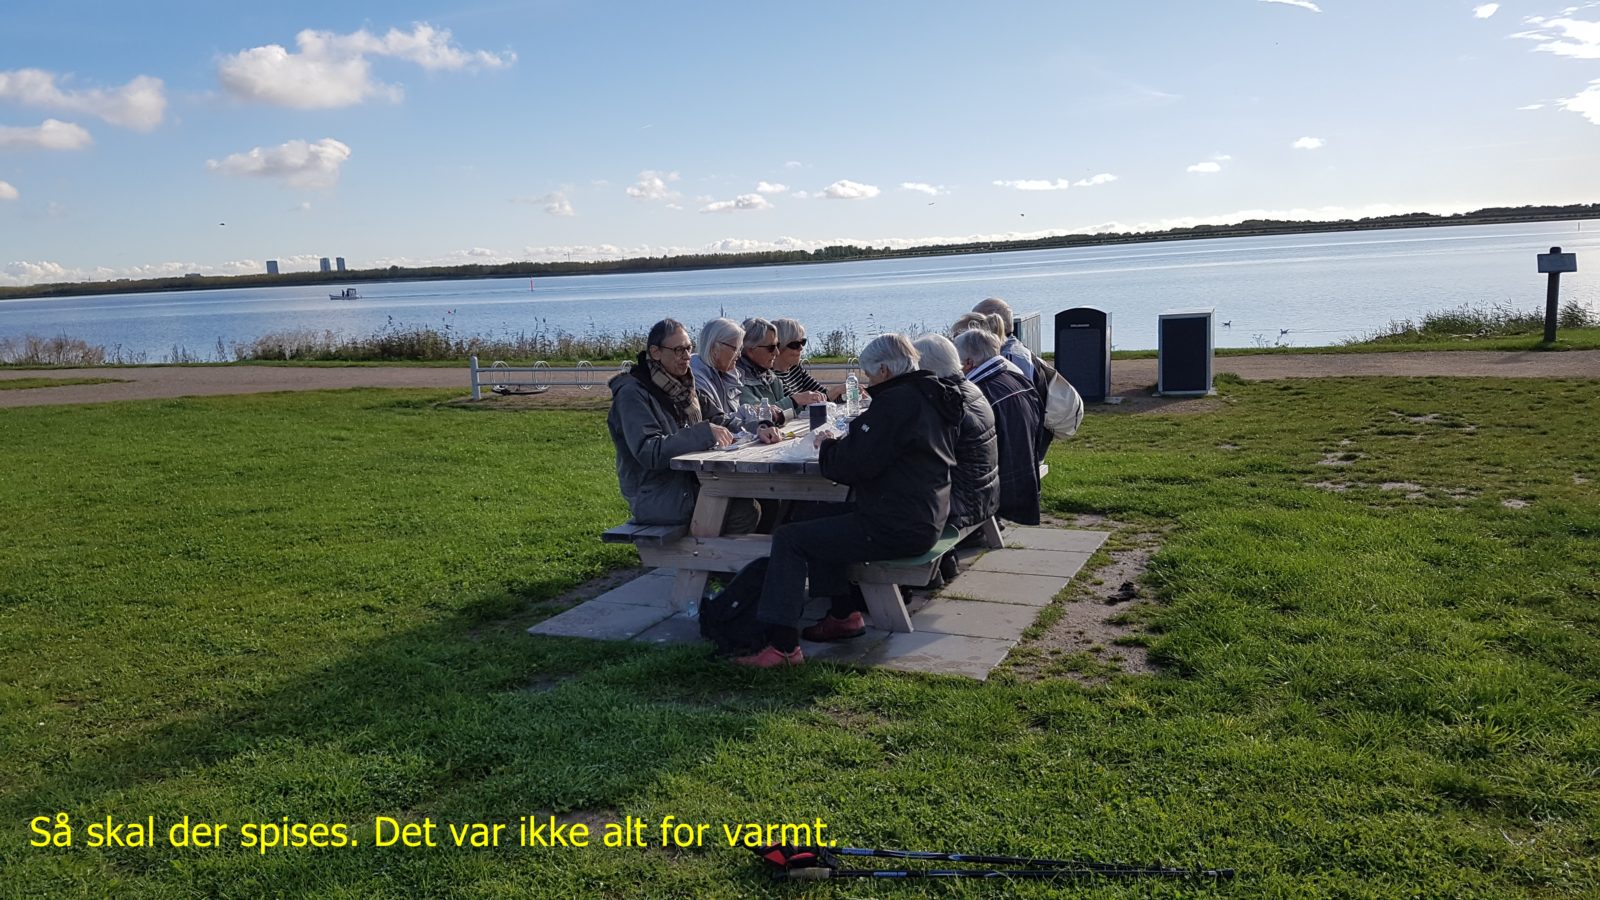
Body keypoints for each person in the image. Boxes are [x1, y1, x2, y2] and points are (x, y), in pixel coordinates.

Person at [734, 334, 964, 668]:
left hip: (898, 524)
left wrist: (827, 445)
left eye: (872, 375)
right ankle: (843, 614)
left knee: (789, 539)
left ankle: (782, 646)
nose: (870, 383)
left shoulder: (897, 404)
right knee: (813, 516)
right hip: (925, 512)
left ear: (884, 370)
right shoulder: (929, 394)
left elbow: (850, 466)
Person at [607, 319, 763, 533]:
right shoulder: (632, 394)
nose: (687, 356)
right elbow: (649, 451)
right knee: (744, 510)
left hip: (689, 481)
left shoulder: (684, 385)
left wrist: (759, 427)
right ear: (655, 352)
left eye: (689, 349)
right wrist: (702, 433)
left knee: (761, 496)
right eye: (679, 350)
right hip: (656, 494)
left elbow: (720, 420)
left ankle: (733, 561)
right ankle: (710, 562)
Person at [953, 328, 1042, 526]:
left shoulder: (980, 393)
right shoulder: (1016, 378)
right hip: (1025, 470)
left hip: (1005, 481)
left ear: (969, 363)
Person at [912, 333, 999, 532]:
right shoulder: (970, 389)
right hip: (984, 495)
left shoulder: (945, 402)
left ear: (926, 368)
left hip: (961, 504)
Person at [736, 318, 824, 421]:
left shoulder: (769, 377)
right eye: (771, 348)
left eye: (777, 345)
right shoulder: (737, 380)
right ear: (751, 350)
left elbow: (786, 416)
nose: (777, 352)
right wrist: (794, 401)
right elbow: (757, 418)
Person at [690, 317, 746, 425]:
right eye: (735, 349)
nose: (739, 354)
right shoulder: (696, 379)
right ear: (714, 348)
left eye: (740, 349)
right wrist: (748, 413)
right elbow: (719, 421)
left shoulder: (730, 376)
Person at [772, 317, 844, 402]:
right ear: (779, 347)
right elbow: (796, 406)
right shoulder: (771, 377)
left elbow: (823, 394)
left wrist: (848, 394)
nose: (801, 348)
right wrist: (836, 391)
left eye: (802, 342)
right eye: (795, 345)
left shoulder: (795, 368)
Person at [972, 297, 1035, 381]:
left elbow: (1023, 392)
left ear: (995, 323)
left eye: (976, 323)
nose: (972, 329)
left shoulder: (1011, 357)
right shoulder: (1013, 350)